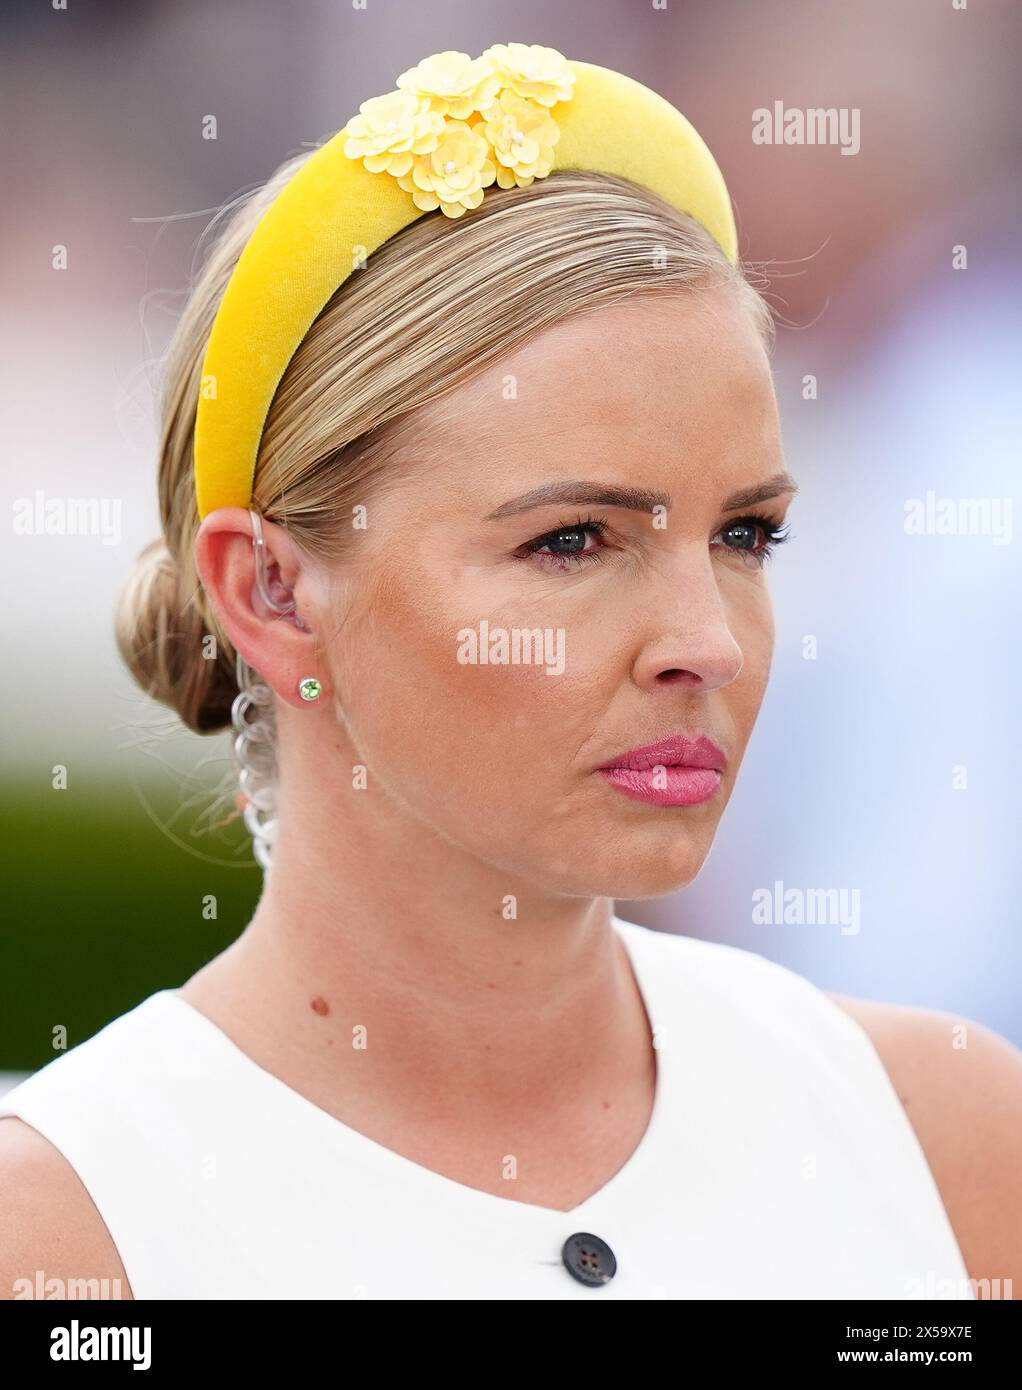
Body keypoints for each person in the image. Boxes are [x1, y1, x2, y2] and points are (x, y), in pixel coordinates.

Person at [1, 43, 1019, 1301]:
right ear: (270, 591)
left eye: (744, 534)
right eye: (571, 541)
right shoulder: (65, 1233)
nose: (704, 640)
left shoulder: (948, 1134)